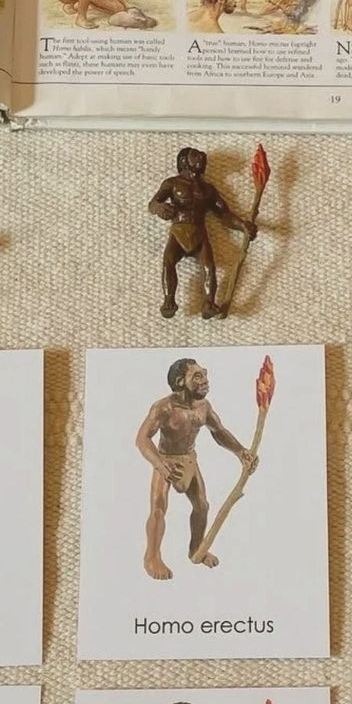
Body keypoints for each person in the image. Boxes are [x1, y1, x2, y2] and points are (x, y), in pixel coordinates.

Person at [136, 359, 258, 579]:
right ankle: (152, 557)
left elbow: (219, 431)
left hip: (189, 459)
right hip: (165, 459)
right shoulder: (164, 408)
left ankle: (196, 549)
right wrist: (160, 464)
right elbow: (142, 439)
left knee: (202, 506)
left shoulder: (204, 406)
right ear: (180, 382)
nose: (205, 381)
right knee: (158, 508)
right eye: (198, 376)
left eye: (205, 374)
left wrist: (241, 451)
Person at [148, 147, 257, 318]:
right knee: (168, 262)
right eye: (195, 156)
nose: (201, 158)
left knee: (209, 267)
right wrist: (159, 208)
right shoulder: (172, 183)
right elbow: (153, 203)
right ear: (184, 161)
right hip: (179, 229)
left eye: (200, 156)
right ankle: (169, 300)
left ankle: (209, 302)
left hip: (199, 231)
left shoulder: (208, 190)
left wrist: (243, 226)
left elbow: (224, 214)